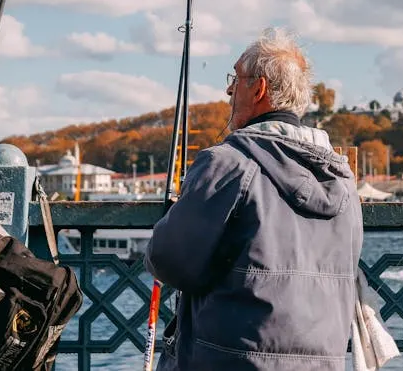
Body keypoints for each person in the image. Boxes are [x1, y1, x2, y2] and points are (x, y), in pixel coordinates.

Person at [145, 27, 364, 370]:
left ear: (259, 88)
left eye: (236, 77)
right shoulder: (343, 180)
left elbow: (169, 261)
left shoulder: (227, 164)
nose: (229, 88)